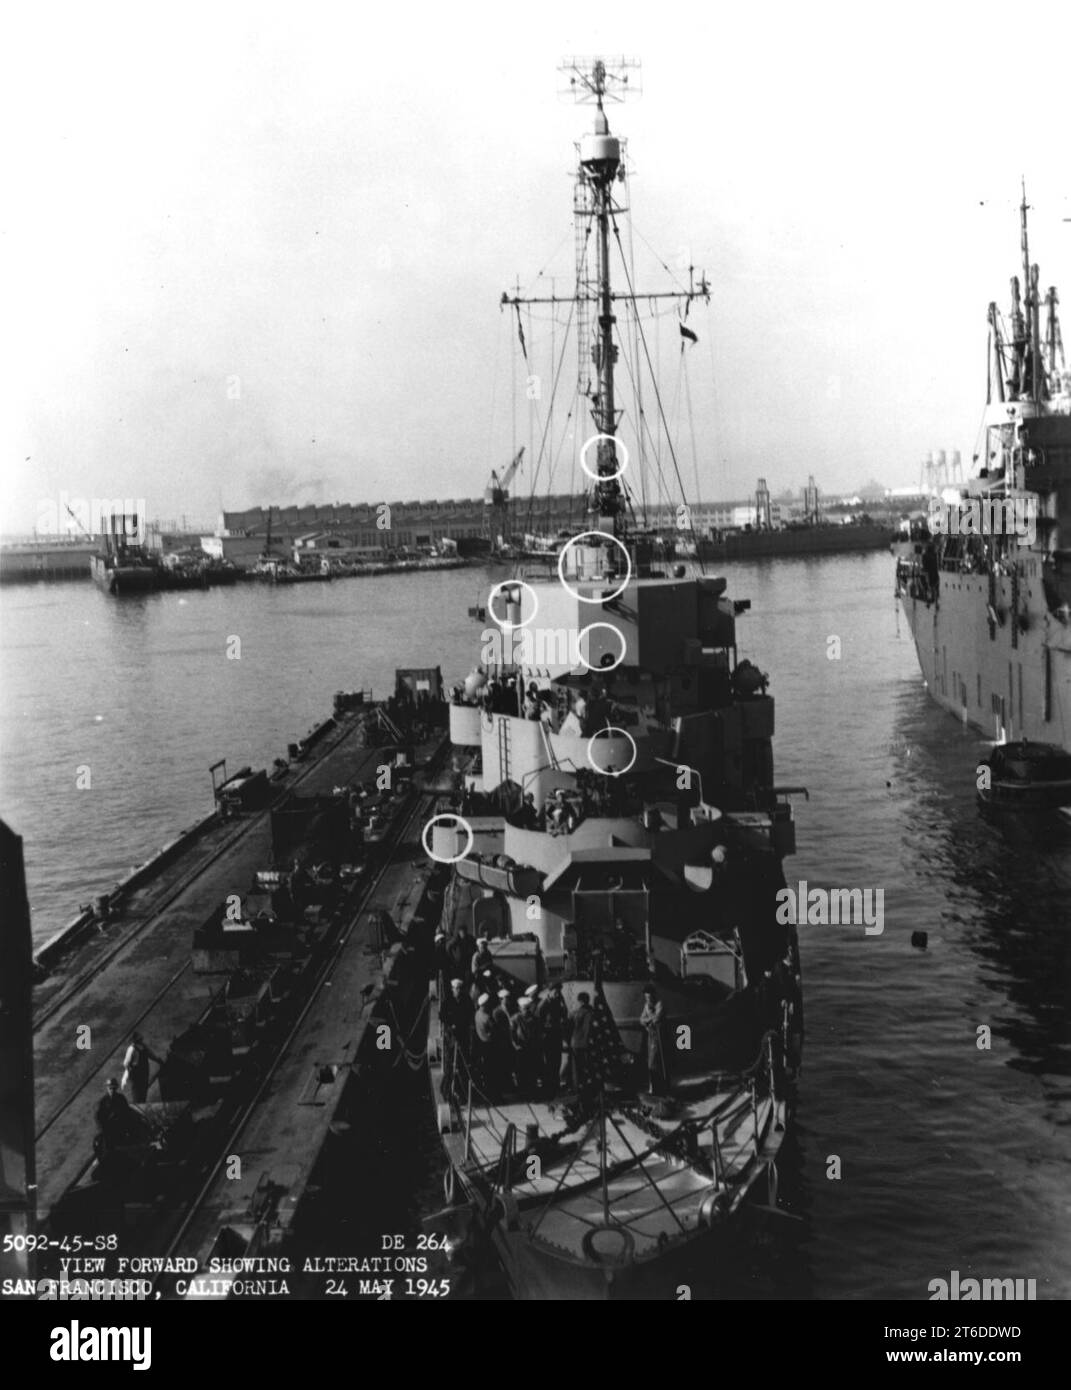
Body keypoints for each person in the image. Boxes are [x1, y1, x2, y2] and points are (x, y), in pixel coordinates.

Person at [537, 982, 569, 1097]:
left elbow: (564, 1014)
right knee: (549, 1063)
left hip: (556, 1036)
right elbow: (538, 1021)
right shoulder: (543, 1004)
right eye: (556, 991)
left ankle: (555, 1086)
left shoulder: (557, 1003)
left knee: (557, 1062)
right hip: (548, 1037)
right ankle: (548, 1088)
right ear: (550, 991)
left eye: (559, 992)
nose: (558, 994)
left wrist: (563, 1001)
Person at [640, 985, 669, 1095]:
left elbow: (657, 1018)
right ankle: (654, 1087)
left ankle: (664, 1087)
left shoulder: (659, 1004)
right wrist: (648, 1020)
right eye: (646, 998)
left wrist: (648, 1020)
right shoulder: (646, 1005)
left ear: (654, 995)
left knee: (661, 1061)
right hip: (651, 1036)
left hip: (661, 1036)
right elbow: (641, 1019)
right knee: (651, 1062)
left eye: (650, 997)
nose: (648, 1000)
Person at [510, 995, 541, 1098]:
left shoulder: (534, 1019)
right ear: (520, 1008)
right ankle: (523, 1092)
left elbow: (537, 1033)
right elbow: (511, 1034)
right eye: (524, 1009)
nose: (526, 1011)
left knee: (532, 1071)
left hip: (531, 1047)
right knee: (521, 1071)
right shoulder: (515, 1018)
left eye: (528, 1008)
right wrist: (515, 1045)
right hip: (521, 1048)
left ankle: (532, 1092)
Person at [95, 1077, 133, 1155]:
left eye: (114, 1088)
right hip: (109, 1130)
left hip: (121, 1127)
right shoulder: (103, 1102)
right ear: (107, 1088)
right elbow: (98, 1117)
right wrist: (103, 1129)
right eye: (110, 1088)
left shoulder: (121, 1098)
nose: (112, 1090)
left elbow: (127, 1112)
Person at [121, 1031, 162, 1104]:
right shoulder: (131, 1049)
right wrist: (131, 1072)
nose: (141, 1040)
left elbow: (150, 1054)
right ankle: (137, 1107)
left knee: (143, 1091)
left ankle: (142, 1105)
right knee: (137, 1093)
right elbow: (126, 1063)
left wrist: (158, 1060)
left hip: (144, 1071)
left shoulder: (144, 1046)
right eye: (138, 1039)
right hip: (136, 1074)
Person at [569, 992, 595, 1093]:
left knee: (576, 1068)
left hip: (575, 1043)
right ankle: (586, 1088)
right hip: (587, 1044)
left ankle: (577, 1088)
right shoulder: (590, 1013)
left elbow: (568, 1027)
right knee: (586, 1067)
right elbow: (588, 1029)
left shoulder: (574, 1013)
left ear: (579, 1001)